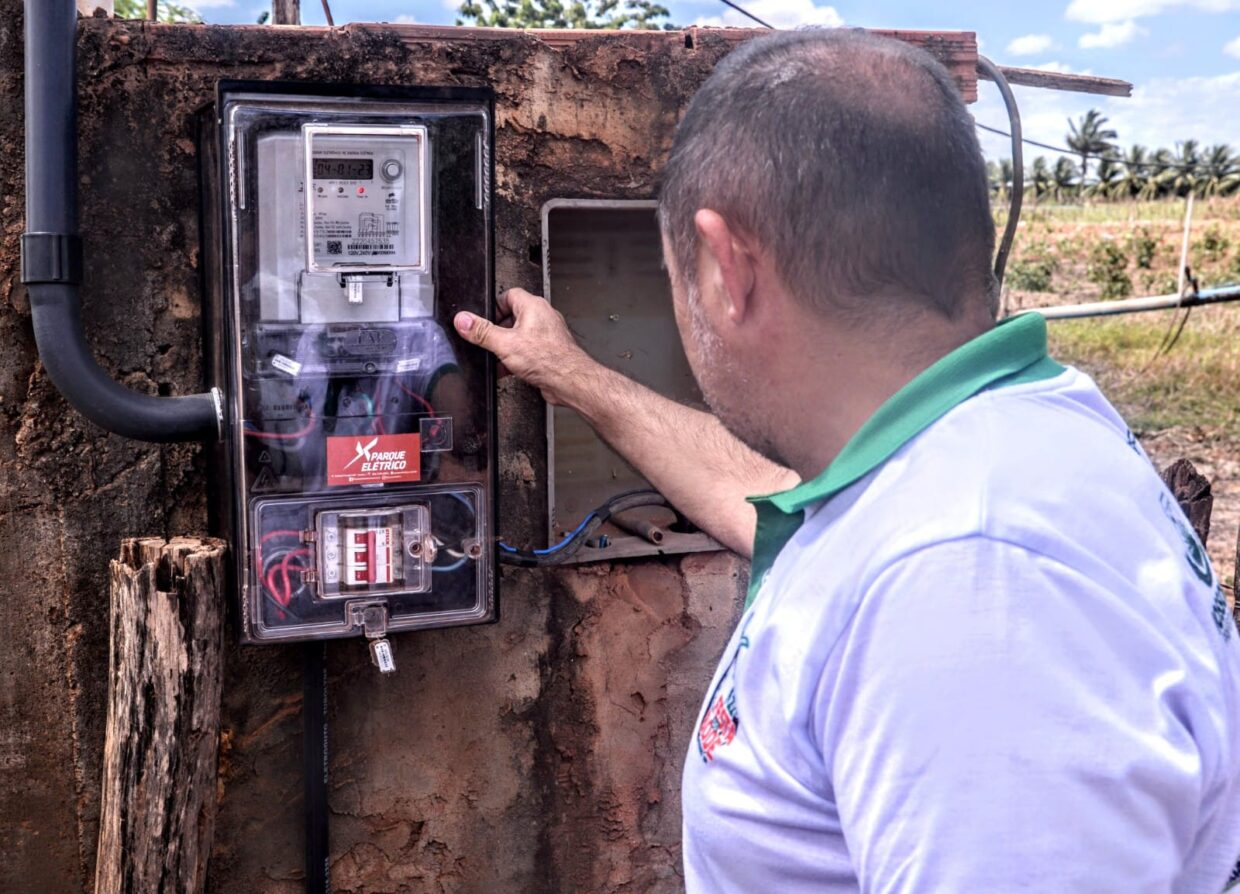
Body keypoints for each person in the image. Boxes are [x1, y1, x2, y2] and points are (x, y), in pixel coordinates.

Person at [454, 28, 1240, 893]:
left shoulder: (966, 582)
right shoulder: (992, 440)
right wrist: (578, 380)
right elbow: (777, 500)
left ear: (725, 267)